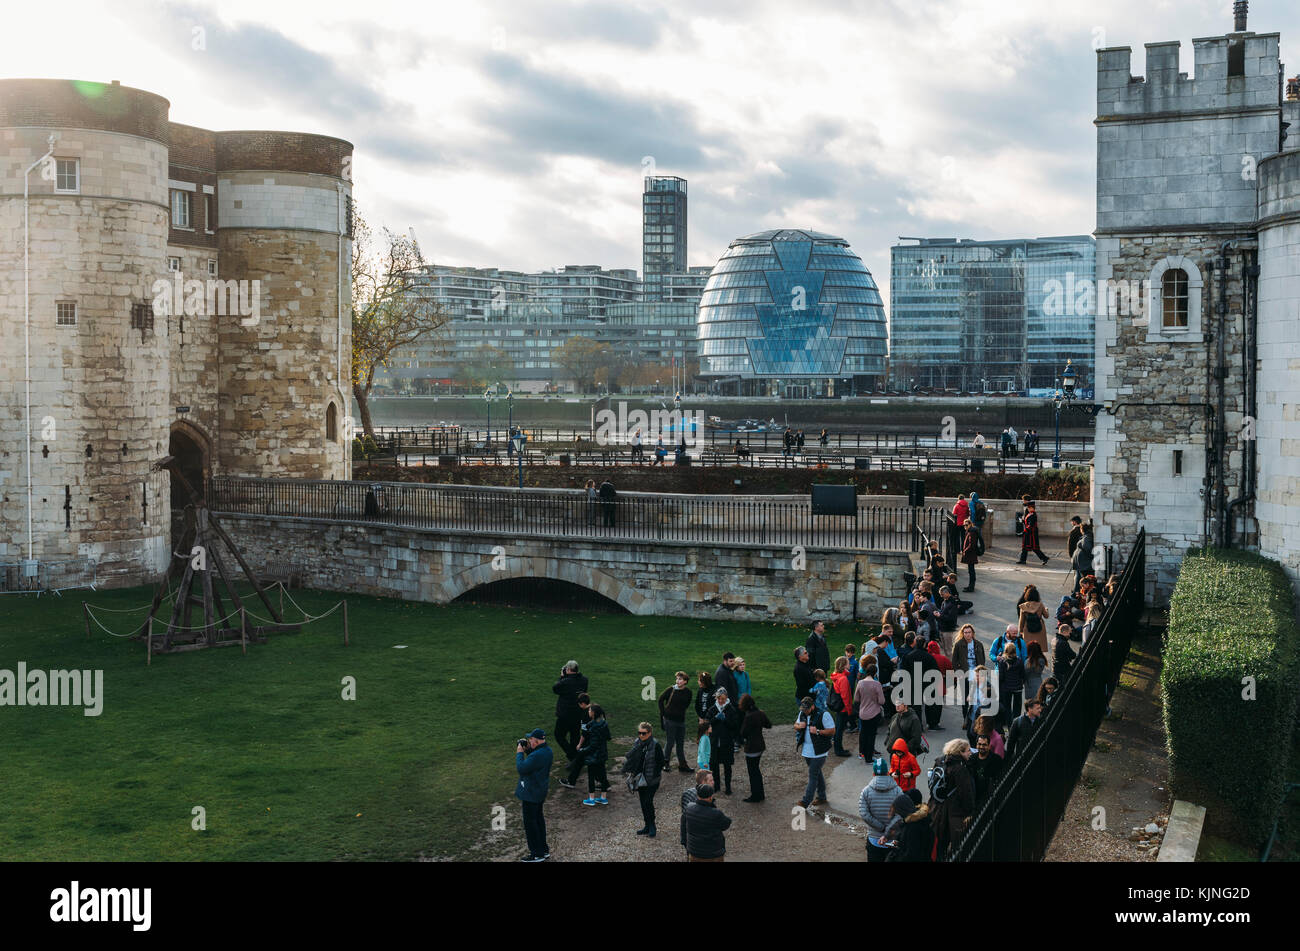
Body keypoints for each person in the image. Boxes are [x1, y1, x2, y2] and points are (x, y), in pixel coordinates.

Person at [929, 738, 976, 861]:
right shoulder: (960, 769)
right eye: (967, 751)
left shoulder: (940, 761)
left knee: (939, 841)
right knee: (956, 844)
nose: (970, 753)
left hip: (936, 806)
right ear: (960, 752)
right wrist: (969, 811)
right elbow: (965, 793)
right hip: (953, 811)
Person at [515, 729, 553, 862]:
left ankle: (537, 854)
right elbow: (535, 760)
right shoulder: (547, 751)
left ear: (536, 741)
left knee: (531, 824)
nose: (529, 741)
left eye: (531, 739)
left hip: (531, 794)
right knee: (538, 821)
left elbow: (522, 768)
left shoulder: (537, 755)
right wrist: (527, 750)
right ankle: (543, 850)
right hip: (539, 792)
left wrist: (520, 753)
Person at [625, 721, 665, 837]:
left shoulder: (655, 745)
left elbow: (661, 762)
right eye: (639, 733)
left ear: (650, 733)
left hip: (651, 780)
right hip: (639, 779)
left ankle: (652, 826)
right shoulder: (637, 743)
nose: (641, 735)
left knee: (648, 802)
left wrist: (654, 774)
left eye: (644, 733)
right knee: (643, 803)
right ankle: (647, 825)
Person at [794, 696, 835, 808]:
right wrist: (799, 726)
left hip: (820, 751)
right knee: (817, 773)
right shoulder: (802, 714)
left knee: (813, 775)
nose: (805, 711)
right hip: (807, 751)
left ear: (812, 706)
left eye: (807, 709)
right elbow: (795, 725)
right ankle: (822, 797)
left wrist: (818, 731)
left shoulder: (824, 714)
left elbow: (832, 731)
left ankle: (805, 801)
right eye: (803, 709)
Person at [859, 757, 901, 862]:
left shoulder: (866, 791)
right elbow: (900, 814)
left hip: (874, 839)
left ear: (873, 774)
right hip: (892, 840)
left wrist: (881, 828)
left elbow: (864, 814)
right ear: (887, 772)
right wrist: (888, 830)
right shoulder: (897, 791)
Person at [683, 783, 732, 862]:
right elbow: (726, 824)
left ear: (698, 795)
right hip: (712, 854)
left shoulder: (689, 807)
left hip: (694, 852)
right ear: (711, 797)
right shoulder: (715, 813)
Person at [737, 693, 772, 802]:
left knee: (753, 773)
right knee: (756, 771)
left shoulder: (748, 717)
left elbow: (743, 733)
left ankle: (756, 795)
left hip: (751, 748)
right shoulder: (760, 713)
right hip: (760, 745)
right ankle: (760, 794)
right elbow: (768, 725)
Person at [707, 687, 742, 796]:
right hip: (714, 742)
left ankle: (728, 787)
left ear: (726, 698)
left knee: (727, 766)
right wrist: (716, 718)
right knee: (714, 766)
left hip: (726, 742)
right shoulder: (712, 709)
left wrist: (725, 720)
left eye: (723, 699)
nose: (721, 701)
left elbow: (735, 726)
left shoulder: (731, 709)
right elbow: (707, 724)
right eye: (719, 699)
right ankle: (716, 786)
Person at [552, 661, 589, 762]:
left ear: (568, 670)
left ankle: (572, 756)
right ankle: (575, 758)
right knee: (575, 736)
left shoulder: (565, 681)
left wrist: (562, 677)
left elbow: (555, 688)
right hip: (578, 713)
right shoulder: (584, 680)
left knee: (559, 735)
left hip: (565, 715)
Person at [576, 704, 612, 806]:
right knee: (603, 775)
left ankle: (591, 798)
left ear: (593, 713)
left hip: (594, 755)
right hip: (602, 753)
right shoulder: (603, 723)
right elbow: (608, 737)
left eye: (590, 710)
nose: (588, 712)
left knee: (591, 776)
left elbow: (593, 746)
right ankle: (603, 798)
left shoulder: (594, 728)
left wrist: (582, 750)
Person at [657, 671, 693, 772]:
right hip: (670, 721)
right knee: (670, 742)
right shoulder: (671, 690)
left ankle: (682, 764)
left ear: (685, 681)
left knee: (680, 743)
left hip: (681, 721)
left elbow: (686, 704)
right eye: (677, 679)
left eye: (680, 679)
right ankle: (665, 763)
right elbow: (660, 699)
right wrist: (663, 713)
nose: (678, 681)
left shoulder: (688, 692)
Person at [949, 624, 986, 722]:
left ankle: (976, 719)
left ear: (972, 633)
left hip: (977, 674)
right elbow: (954, 661)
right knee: (965, 699)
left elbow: (983, 659)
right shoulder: (958, 644)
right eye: (965, 632)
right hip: (964, 675)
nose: (967, 634)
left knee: (977, 698)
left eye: (969, 632)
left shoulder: (978, 644)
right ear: (962, 633)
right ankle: (966, 719)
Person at [886, 792, 934, 862]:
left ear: (902, 810)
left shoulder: (913, 827)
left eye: (898, 811)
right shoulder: (914, 820)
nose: (897, 814)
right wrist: (893, 844)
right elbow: (903, 842)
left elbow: (911, 854)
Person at [853, 660, 886, 759]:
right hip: (874, 713)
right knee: (871, 735)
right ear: (875, 673)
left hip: (863, 712)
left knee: (863, 733)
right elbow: (882, 701)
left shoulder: (860, 683)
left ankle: (861, 752)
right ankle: (869, 756)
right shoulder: (877, 684)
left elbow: (856, 699)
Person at [679, 767, 713, 857]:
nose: (713, 782)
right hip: (694, 841)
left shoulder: (688, 793)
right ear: (703, 782)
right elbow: (685, 818)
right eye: (711, 780)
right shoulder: (699, 798)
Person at [968, 733, 1006, 807]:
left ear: (989, 746)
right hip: (976, 795)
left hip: (990, 797)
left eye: (984, 744)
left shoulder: (996, 760)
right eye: (979, 744)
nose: (981, 747)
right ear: (976, 745)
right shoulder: (972, 759)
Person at [829, 657, 854, 756]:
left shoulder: (837, 676)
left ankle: (839, 749)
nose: (850, 665)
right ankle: (838, 750)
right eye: (848, 663)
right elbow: (845, 697)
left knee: (838, 728)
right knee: (839, 730)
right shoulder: (843, 679)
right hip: (843, 708)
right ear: (843, 665)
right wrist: (849, 710)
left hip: (838, 707)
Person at [997, 643, 1025, 729]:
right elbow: (1023, 675)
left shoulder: (1002, 662)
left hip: (1006, 688)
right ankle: (1017, 725)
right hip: (1017, 688)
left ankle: (1010, 727)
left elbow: (1001, 677)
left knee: (1007, 708)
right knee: (1017, 708)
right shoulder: (1019, 661)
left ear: (1005, 651)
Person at [1017, 585, 1051, 655]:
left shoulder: (1023, 606)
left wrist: (1020, 631)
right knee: (1039, 649)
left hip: (1028, 629)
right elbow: (1046, 616)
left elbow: (1021, 621)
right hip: (1039, 628)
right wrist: (1046, 610)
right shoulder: (1040, 605)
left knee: (1029, 650)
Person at [1023, 642, 1049, 706]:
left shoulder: (1029, 662)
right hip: (1038, 681)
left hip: (1030, 684)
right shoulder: (1041, 659)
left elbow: (1024, 672)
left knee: (1032, 704)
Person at [1072, 523, 1094, 588]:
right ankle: (1076, 592)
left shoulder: (1087, 537)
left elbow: (1087, 548)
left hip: (1084, 564)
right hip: (1081, 564)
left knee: (1083, 580)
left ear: (1082, 529)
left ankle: (1077, 592)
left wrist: (1090, 557)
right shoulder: (1086, 536)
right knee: (1079, 579)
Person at [959, 520, 979, 592]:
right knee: (971, 571)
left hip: (971, 554)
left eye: (966, 525)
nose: (965, 526)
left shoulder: (972, 532)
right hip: (971, 554)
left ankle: (971, 587)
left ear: (970, 524)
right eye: (964, 525)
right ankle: (970, 586)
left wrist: (965, 551)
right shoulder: (969, 531)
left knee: (971, 571)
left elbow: (972, 544)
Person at [695, 671, 716, 740]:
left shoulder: (713, 690)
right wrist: (700, 717)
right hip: (701, 719)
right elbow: (697, 704)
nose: (698, 682)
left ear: (705, 682)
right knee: (701, 737)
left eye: (699, 680)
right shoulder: (700, 690)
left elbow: (713, 706)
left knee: (710, 737)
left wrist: (707, 719)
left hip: (710, 718)